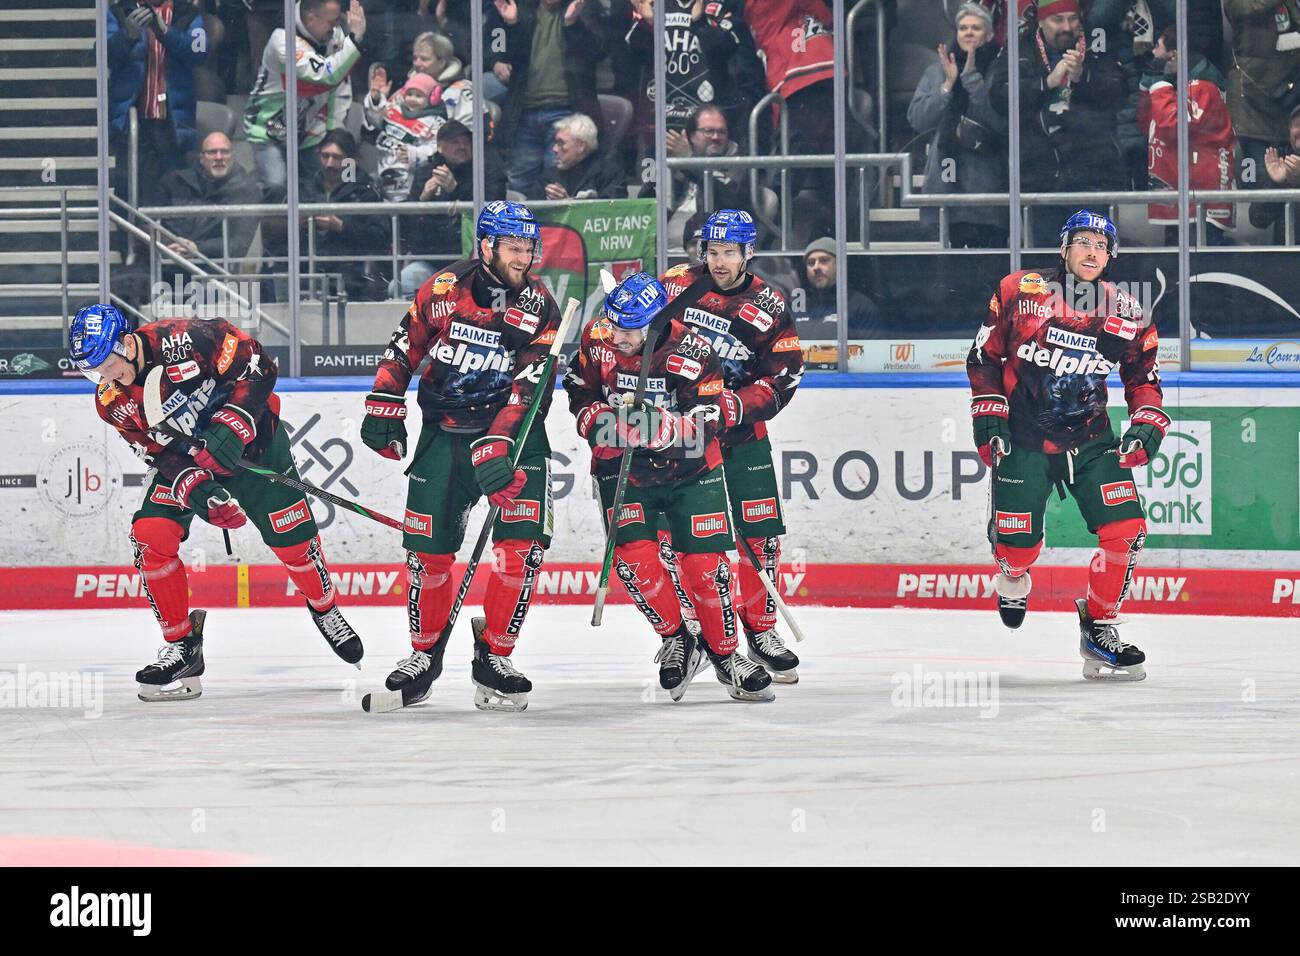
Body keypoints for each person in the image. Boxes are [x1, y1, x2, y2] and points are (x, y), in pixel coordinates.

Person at [67, 304, 365, 701]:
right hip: (192, 460)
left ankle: (325, 609)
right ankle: (182, 644)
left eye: (106, 363)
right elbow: (156, 451)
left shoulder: (185, 338)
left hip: (256, 446)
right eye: (94, 370)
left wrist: (234, 423)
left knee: (294, 545)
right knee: (150, 534)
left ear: (125, 342)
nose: (104, 376)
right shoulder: (111, 400)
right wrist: (194, 487)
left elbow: (258, 366)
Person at [360, 201, 561, 713]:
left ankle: (495, 653)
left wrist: (500, 443)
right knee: (427, 557)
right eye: (514, 247)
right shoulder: (444, 290)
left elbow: (534, 385)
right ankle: (423, 654)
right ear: (486, 246)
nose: (524, 257)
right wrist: (385, 402)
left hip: (514, 437)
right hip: (444, 432)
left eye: (529, 248)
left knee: (521, 552)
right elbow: (405, 344)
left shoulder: (540, 305)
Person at [967, 210, 1165, 681]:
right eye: (1082, 242)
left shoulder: (1128, 310)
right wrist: (988, 414)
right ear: (1064, 248)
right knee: (1018, 551)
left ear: (1111, 256)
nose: (1092, 252)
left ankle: (1099, 626)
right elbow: (984, 356)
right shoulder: (1021, 291)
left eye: (1101, 245)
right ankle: (1012, 574)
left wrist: (1147, 421)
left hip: (1092, 438)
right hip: (1023, 438)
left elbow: (1143, 377)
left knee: (1127, 531)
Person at [563, 272, 774, 702]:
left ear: (656, 323)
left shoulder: (693, 352)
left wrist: (666, 431)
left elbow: (711, 419)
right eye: (614, 324)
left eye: (629, 330)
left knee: (704, 568)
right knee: (633, 561)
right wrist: (597, 421)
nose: (617, 337)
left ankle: (727, 657)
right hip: (622, 469)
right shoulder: (598, 338)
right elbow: (578, 388)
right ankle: (679, 637)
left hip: (691, 472)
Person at [658, 209, 804, 684]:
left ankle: (761, 629)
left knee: (760, 533)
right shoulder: (675, 286)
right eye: (713, 251)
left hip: (742, 437)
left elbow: (784, 377)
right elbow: (641, 346)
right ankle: (698, 630)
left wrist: (734, 408)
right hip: (680, 440)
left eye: (729, 252)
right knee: (683, 539)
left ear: (749, 252)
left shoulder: (769, 302)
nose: (719, 262)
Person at [989, 0, 1129, 244]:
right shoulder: (1020, 47)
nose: (1067, 26)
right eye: (1058, 20)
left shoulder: (1097, 44)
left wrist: (1082, 77)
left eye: (1072, 19)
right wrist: (1047, 83)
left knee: (1089, 265)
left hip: (1092, 176)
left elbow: (1118, 91)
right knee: (1047, 267)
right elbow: (1000, 97)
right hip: (1040, 176)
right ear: (1041, 21)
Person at [906, 3, 1008, 248]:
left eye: (976, 28)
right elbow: (917, 120)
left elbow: (1001, 122)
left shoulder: (1001, 70)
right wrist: (946, 88)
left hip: (986, 185)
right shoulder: (937, 71)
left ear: (990, 35)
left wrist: (973, 83)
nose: (968, 33)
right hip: (944, 186)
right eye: (963, 28)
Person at [242, 0, 366, 200]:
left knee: (338, 180)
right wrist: (356, 38)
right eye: (332, 21)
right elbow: (328, 75)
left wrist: (334, 131)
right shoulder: (282, 40)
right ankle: (278, 229)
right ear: (311, 18)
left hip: (311, 130)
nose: (336, 26)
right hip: (268, 129)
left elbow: (340, 85)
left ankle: (329, 229)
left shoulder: (335, 37)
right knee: (276, 184)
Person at [488, 0, 608, 197]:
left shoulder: (585, 7)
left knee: (558, 180)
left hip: (567, 112)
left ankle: (555, 229)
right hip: (524, 110)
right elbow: (510, 58)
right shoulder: (521, 8)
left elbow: (598, 52)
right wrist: (513, 25)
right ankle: (520, 227)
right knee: (519, 182)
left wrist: (572, 24)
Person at [1137, 25, 1238, 241]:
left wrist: (1160, 85)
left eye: (1158, 46)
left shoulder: (1203, 86)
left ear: (1174, 55)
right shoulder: (1176, 87)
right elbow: (1149, 127)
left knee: (1203, 266)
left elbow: (1175, 127)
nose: (1153, 53)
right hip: (1178, 192)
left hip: (1202, 197)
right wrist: (1148, 88)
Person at [106, 0, 210, 206]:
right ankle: (125, 238)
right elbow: (103, 54)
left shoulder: (187, 13)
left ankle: (171, 239)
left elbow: (199, 54)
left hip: (172, 121)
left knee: (175, 190)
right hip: (132, 119)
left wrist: (166, 32)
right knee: (127, 191)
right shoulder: (119, 11)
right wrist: (128, 35)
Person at [399, 119, 506, 296]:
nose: (462, 146)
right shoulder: (426, 173)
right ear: (440, 147)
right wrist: (422, 199)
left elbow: (493, 209)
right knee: (406, 281)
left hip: (474, 258)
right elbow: (409, 226)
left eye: (466, 141)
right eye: (454, 142)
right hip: (432, 258)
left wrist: (455, 190)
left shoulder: (486, 171)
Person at [638, 106, 750, 252]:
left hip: (710, 246)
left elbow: (732, 197)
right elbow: (646, 205)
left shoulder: (738, 160)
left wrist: (689, 161)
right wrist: (667, 169)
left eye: (721, 132)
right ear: (691, 136)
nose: (716, 137)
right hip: (660, 246)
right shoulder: (677, 156)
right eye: (708, 131)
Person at [296, 131, 390, 300]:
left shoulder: (365, 191)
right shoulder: (304, 186)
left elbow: (380, 236)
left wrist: (341, 227)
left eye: (337, 157)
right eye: (325, 156)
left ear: (351, 160)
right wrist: (298, 225)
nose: (329, 163)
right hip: (306, 267)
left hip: (351, 272)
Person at [1225, 0, 1300, 199]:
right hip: (1253, 106)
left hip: (1288, 103)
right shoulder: (1242, 5)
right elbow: (1243, 9)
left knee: (1291, 183)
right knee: (1262, 190)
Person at [158, 132, 263, 267]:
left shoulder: (247, 191)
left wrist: (198, 248)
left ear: (233, 156)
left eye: (225, 152)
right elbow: (152, 224)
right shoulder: (175, 181)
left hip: (215, 269)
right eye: (212, 152)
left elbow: (239, 244)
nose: (219, 157)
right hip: (169, 263)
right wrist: (171, 244)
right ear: (202, 158)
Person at [362, 71, 445, 202]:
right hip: (382, 170)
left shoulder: (435, 122)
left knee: (402, 211)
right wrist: (377, 99)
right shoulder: (394, 109)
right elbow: (374, 119)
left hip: (408, 177)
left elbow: (437, 148)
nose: (412, 98)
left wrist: (415, 153)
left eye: (419, 96)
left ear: (432, 97)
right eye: (409, 94)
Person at [792, 237, 882, 343]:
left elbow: (872, 353)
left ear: (840, 265)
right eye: (811, 263)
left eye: (824, 261)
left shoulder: (860, 305)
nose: (816, 267)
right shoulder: (797, 306)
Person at [538, 113, 622, 200]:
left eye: (561, 143)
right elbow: (528, 210)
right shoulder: (549, 176)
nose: (554, 149)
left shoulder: (610, 176)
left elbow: (613, 211)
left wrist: (567, 204)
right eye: (556, 142)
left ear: (581, 146)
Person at [1249, 104, 1300, 237]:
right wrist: (1278, 183)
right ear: (1289, 131)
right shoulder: (1280, 161)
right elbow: (1257, 220)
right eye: (1297, 125)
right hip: (1285, 256)